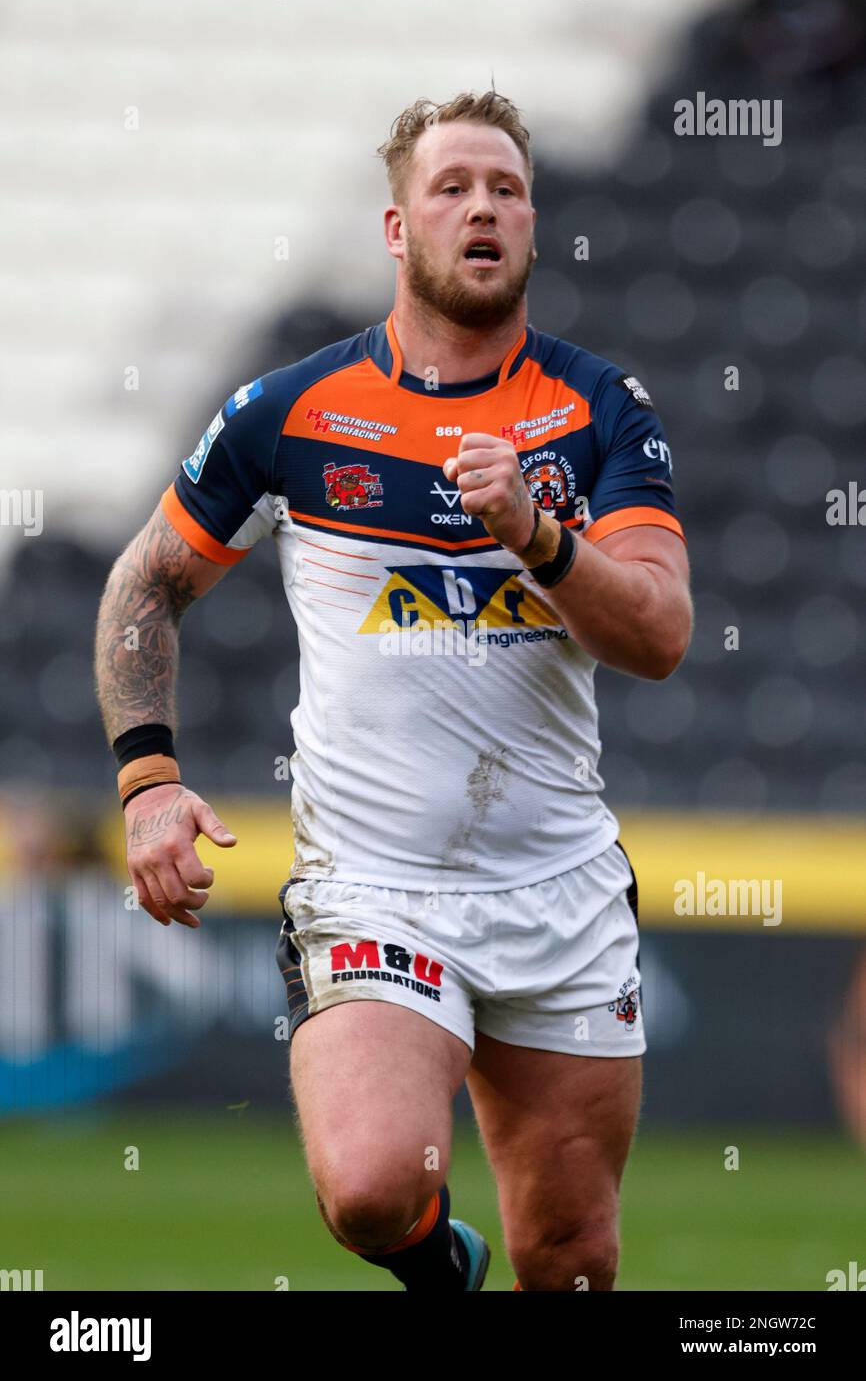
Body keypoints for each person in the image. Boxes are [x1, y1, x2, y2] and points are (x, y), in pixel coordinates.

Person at [94, 90, 692, 1292]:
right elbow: (143, 590)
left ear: (530, 225)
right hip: (375, 887)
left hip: (556, 891)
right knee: (372, 1187)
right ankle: (436, 1265)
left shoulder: (597, 411)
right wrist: (149, 781)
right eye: (452, 186)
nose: (483, 206)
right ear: (395, 227)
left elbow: (660, 634)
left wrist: (538, 534)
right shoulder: (289, 414)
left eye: (507, 189)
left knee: (570, 1260)